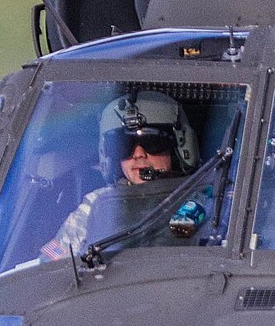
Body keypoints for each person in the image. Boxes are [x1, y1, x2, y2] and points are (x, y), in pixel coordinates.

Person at [40, 89, 200, 260]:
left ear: (178, 148)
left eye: (152, 142)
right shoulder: (97, 205)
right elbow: (51, 264)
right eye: (125, 145)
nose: (138, 154)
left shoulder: (202, 196)